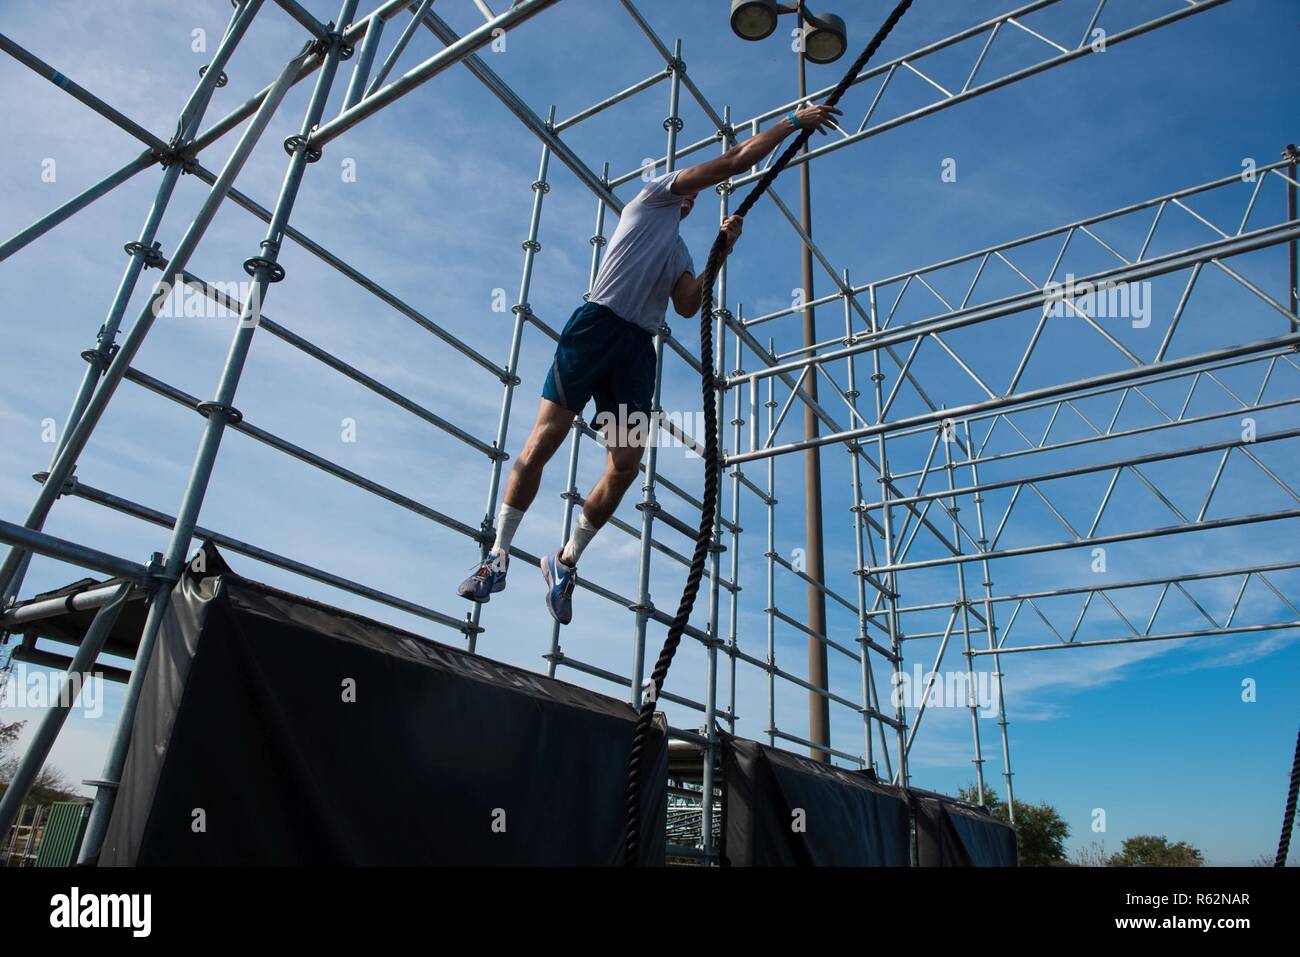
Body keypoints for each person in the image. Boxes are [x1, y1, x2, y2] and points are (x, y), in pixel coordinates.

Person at [458, 103, 843, 624]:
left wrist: (720, 250)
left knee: (625, 468)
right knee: (544, 441)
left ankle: (565, 561)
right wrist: (793, 124)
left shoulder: (680, 251)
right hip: (595, 326)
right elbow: (734, 160)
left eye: (696, 196)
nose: (694, 195)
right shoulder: (650, 198)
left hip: (638, 348)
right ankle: (496, 557)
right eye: (694, 187)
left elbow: (686, 305)